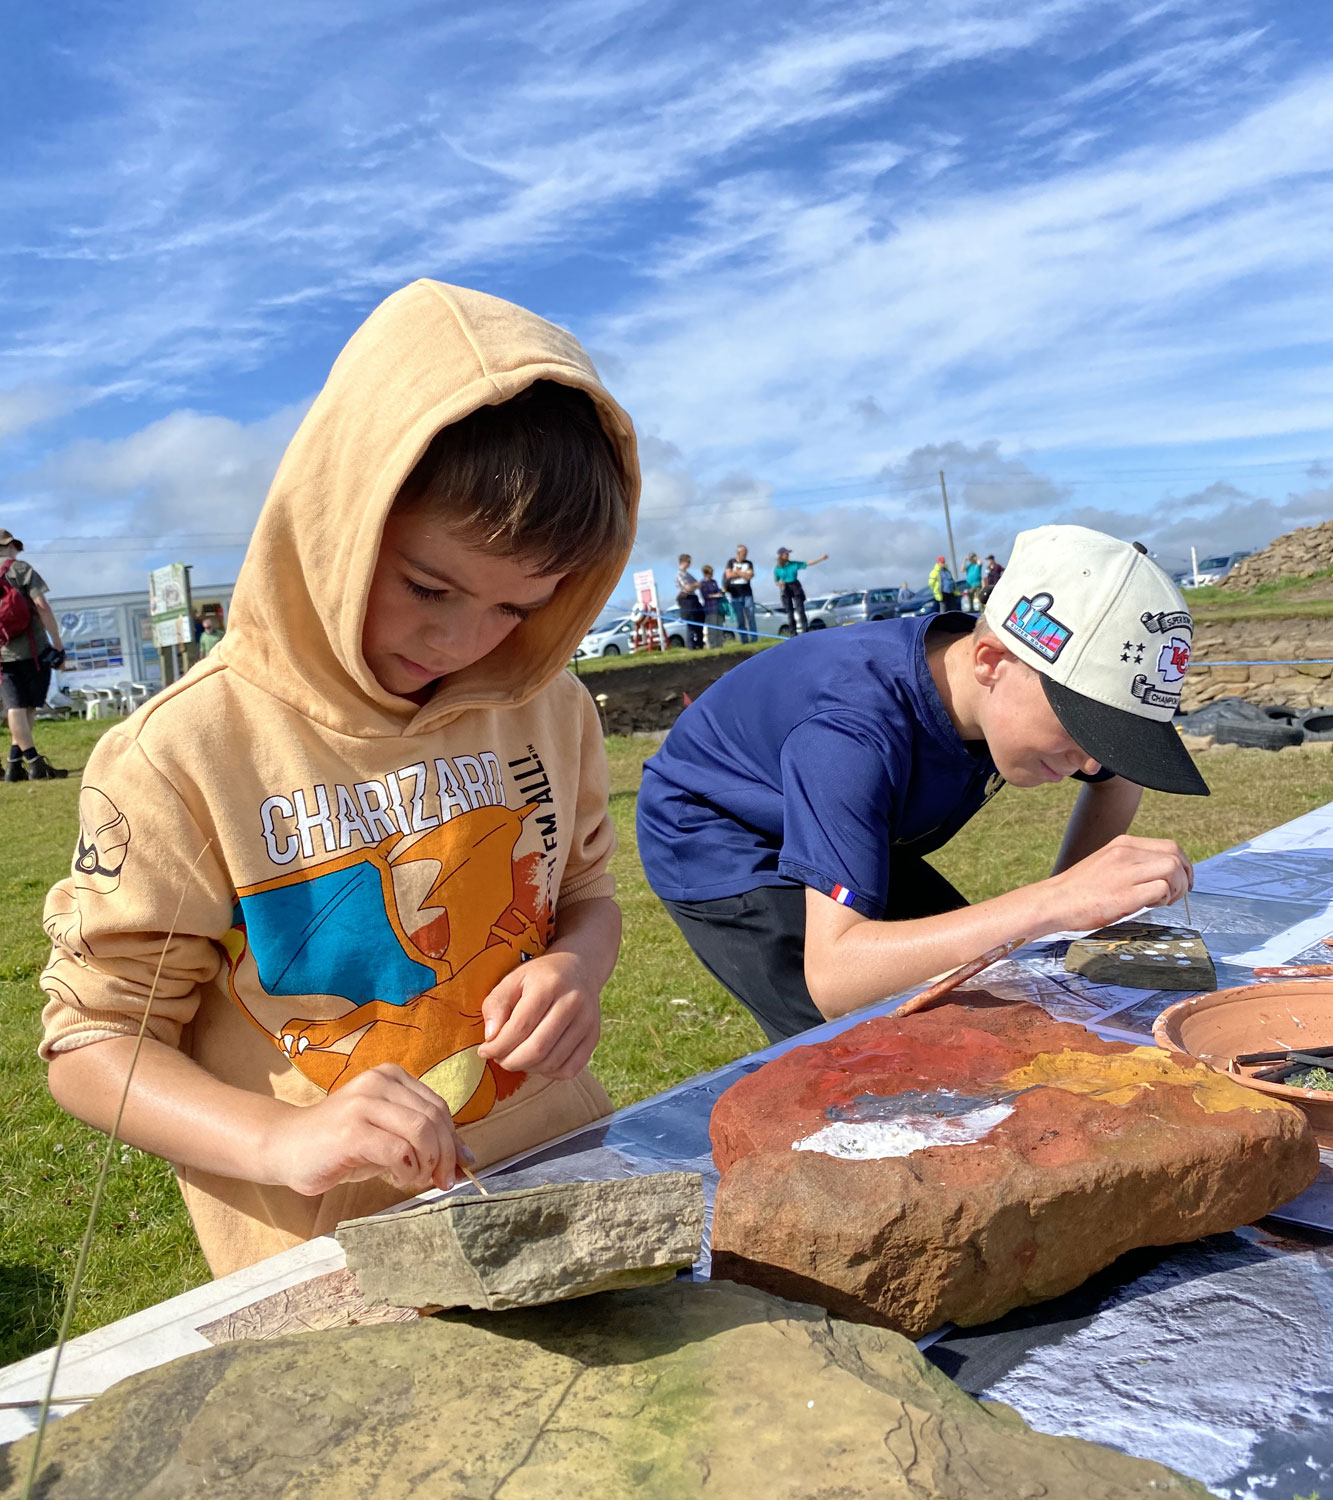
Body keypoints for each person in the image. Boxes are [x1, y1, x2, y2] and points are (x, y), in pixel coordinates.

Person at [39, 280, 639, 1277]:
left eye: (516, 608)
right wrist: (282, 1141)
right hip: (334, 1252)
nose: (459, 641)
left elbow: (585, 895)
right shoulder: (182, 751)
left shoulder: (549, 704)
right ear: (334, 523)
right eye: (427, 587)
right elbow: (93, 1046)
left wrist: (576, 966)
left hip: (561, 1169)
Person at [636, 525, 1204, 1042]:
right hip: (724, 834)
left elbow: (1116, 781)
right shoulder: (850, 734)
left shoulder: (1003, 685)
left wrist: (1067, 912)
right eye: (1085, 730)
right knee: (868, 1047)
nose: (1092, 763)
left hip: (847, 809)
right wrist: (1055, 903)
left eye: (1114, 740)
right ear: (990, 661)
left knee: (988, 988)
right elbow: (836, 979)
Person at [0, 528, 68, 782]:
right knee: (28, 708)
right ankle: (34, 763)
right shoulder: (21, 569)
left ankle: (14, 765)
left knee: (15, 708)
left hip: (2, 654)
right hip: (33, 650)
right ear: (10, 546)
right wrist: (57, 644)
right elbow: (42, 606)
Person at [773, 546, 828, 635]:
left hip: (795, 585)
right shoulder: (777, 568)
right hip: (785, 588)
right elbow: (776, 581)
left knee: (800, 609)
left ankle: (805, 631)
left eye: (788, 553)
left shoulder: (793, 564)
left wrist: (821, 559)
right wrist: (779, 583)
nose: (787, 555)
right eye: (785, 553)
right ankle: (793, 632)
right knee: (790, 612)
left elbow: (807, 563)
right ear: (781, 555)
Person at [723, 544, 757, 643]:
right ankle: (744, 639)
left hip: (747, 593)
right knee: (740, 619)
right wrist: (743, 574)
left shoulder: (749, 563)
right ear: (738, 553)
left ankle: (754, 638)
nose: (745, 555)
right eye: (743, 553)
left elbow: (749, 576)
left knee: (751, 616)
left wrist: (737, 572)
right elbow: (728, 575)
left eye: (746, 553)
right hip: (735, 594)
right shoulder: (730, 562)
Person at [675, 553, 705, 650]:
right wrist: (694, 585)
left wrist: (694, 585)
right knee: (691, 624)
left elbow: (698, 584)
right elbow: (688, 587)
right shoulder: (680, 574)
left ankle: (700, 644)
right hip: (687, 600)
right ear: (683, 562)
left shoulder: (688, 574)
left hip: (694, 599)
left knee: (699, 621)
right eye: (688, 562)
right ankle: (692, 646)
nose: (689, 564)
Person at [699, 565, 725, 648]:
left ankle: (719, 645)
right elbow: (705, 596)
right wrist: (715, 595)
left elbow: (718, 591)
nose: (711, 574)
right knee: (712, 629)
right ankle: (712, 645)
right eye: (710, 573)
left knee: (719, 628)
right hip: (710, 609)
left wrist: (721, 592)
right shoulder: (702, 583)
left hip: (718, 608)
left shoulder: (714, 581)